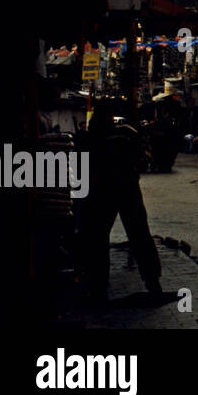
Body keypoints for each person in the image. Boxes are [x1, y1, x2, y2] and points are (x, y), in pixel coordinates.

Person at [75, 102, 163, 299]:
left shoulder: (90, 138)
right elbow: (144, 158)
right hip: (127, 189)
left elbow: (81, 167)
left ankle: (98, 285)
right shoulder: (126, 134)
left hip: (102, 192)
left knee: (98, 238)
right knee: (139, 234)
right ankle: (152, 281)